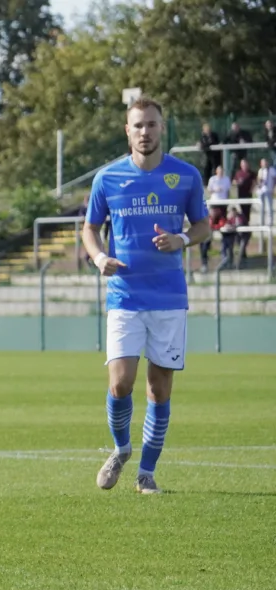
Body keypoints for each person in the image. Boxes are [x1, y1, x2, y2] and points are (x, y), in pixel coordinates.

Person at [81, 96, 210, 495]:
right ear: (128, 130)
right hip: (124, 296)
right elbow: (90, 228)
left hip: (169, 298)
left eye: (152, 125)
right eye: (138, 125)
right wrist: (99, 256)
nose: (145, 132)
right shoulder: (108, 178)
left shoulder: (185, 175)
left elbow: (204, 225)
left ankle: (147, 473)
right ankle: (121, 449)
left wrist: (183, 239)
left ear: (162, 128)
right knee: (120, 383)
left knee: (159, 388)